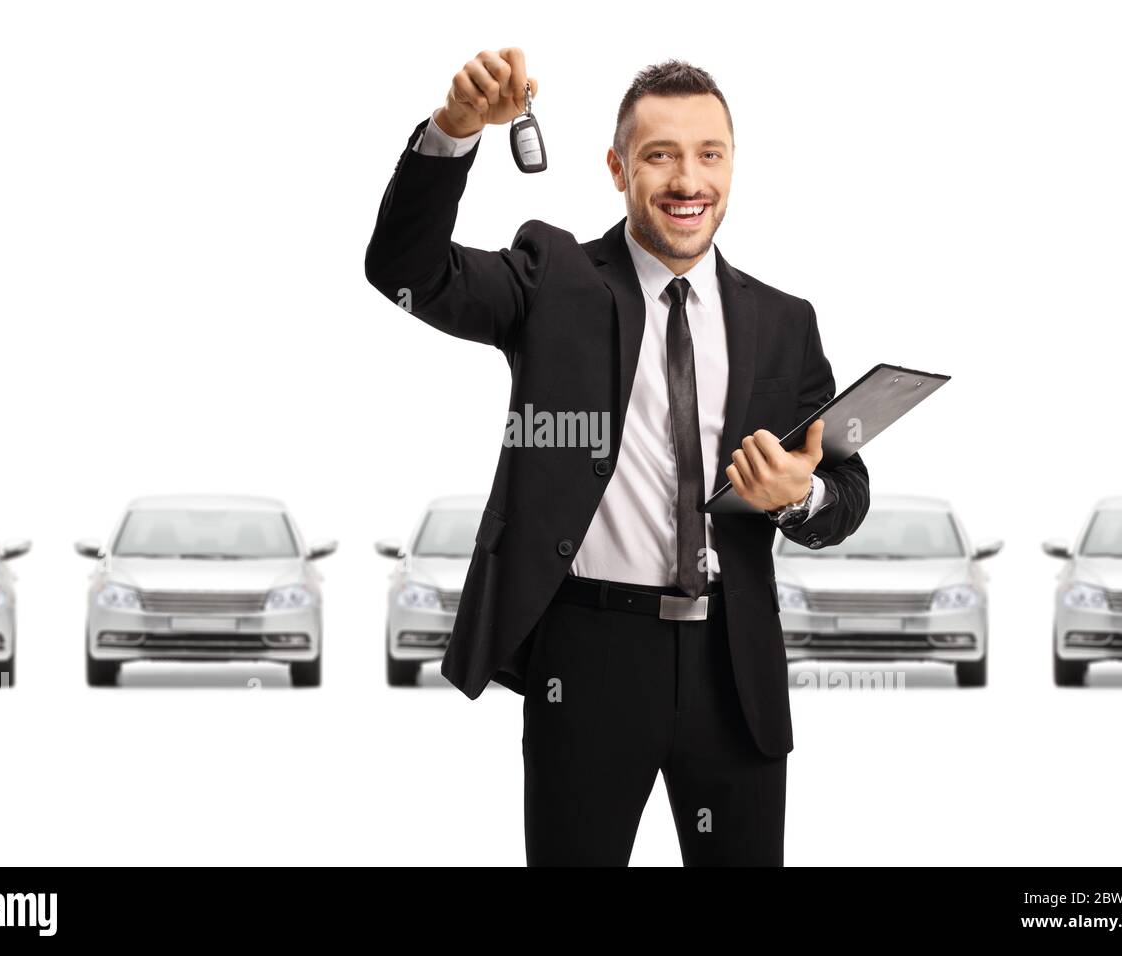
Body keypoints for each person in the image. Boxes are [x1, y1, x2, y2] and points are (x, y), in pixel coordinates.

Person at [365, 48, 870, 865]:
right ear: (617, 166)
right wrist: (455, 133)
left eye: (709, 154)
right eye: (660, 154)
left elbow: (844, 489)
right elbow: (405, 271)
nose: (687, 180)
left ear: (732, 165)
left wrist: (799, 496)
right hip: (590, 654)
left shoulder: (785, 321)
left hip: (732, 665)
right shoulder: (553, 281)